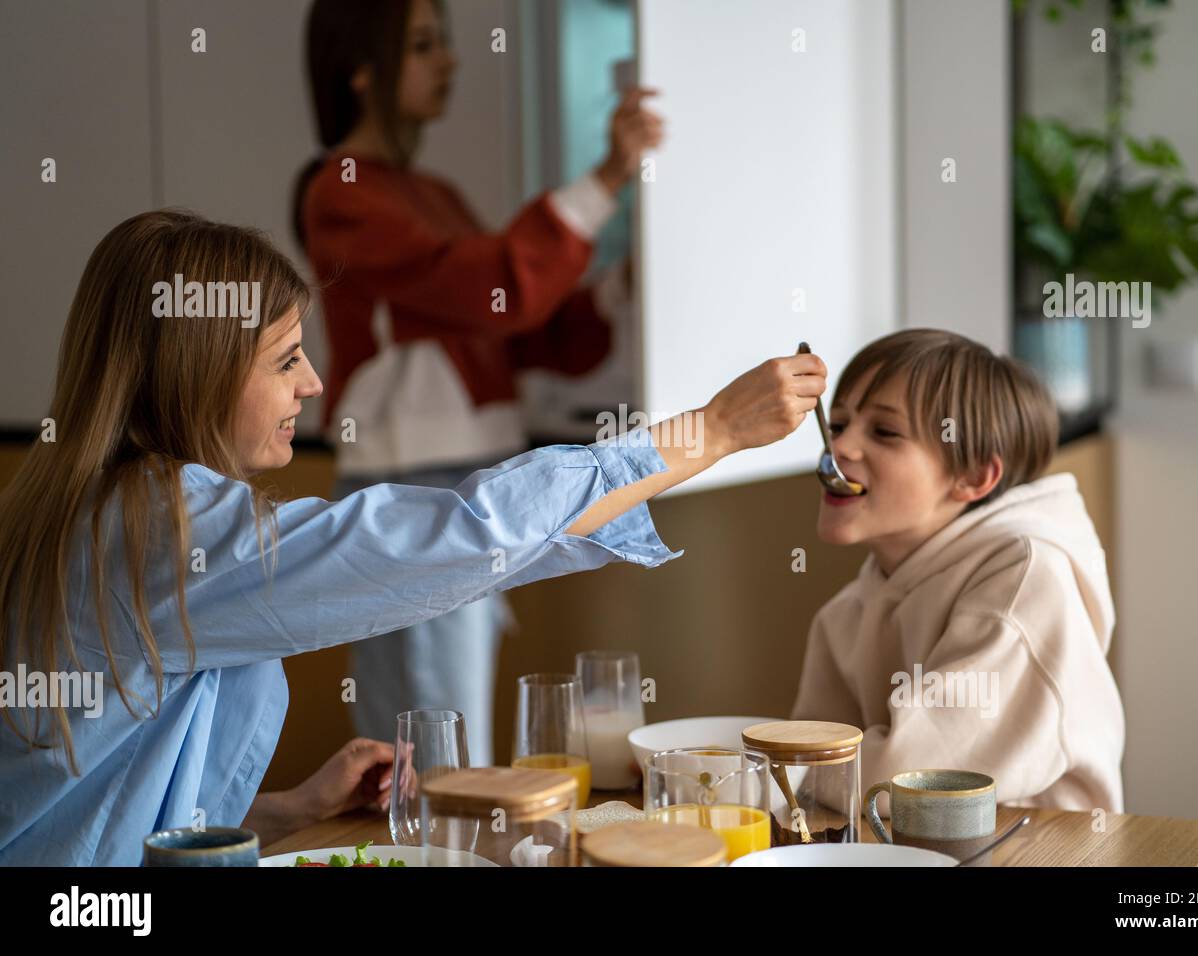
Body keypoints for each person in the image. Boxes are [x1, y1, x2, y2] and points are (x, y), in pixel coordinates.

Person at [0, 210, 827, 865]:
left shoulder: (105, 506)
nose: (315, 383)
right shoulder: (152, 530)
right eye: (286, 360)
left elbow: (108, 795)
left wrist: (293, 807)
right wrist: (708, 433)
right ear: (198, 370)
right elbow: (450, 539)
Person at [292, 0, 664, 762]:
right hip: (411, 481)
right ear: (362, 70)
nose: (450, 61)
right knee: (436, 734)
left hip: (468, 475)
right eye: (425, 45)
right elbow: (493, 285)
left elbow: (520, 329)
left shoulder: (437, 195)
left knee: (439, 727)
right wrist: (605, 179)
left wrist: (621, 286)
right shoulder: (342, 190)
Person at [791, 329, 1124, 811]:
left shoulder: (1025, 581)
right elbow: (802, 762)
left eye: (884, 432)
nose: (840, 449)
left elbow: (905, 780)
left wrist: (787, 765)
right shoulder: (845, 614)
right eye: (837, 425)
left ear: (973, 477)